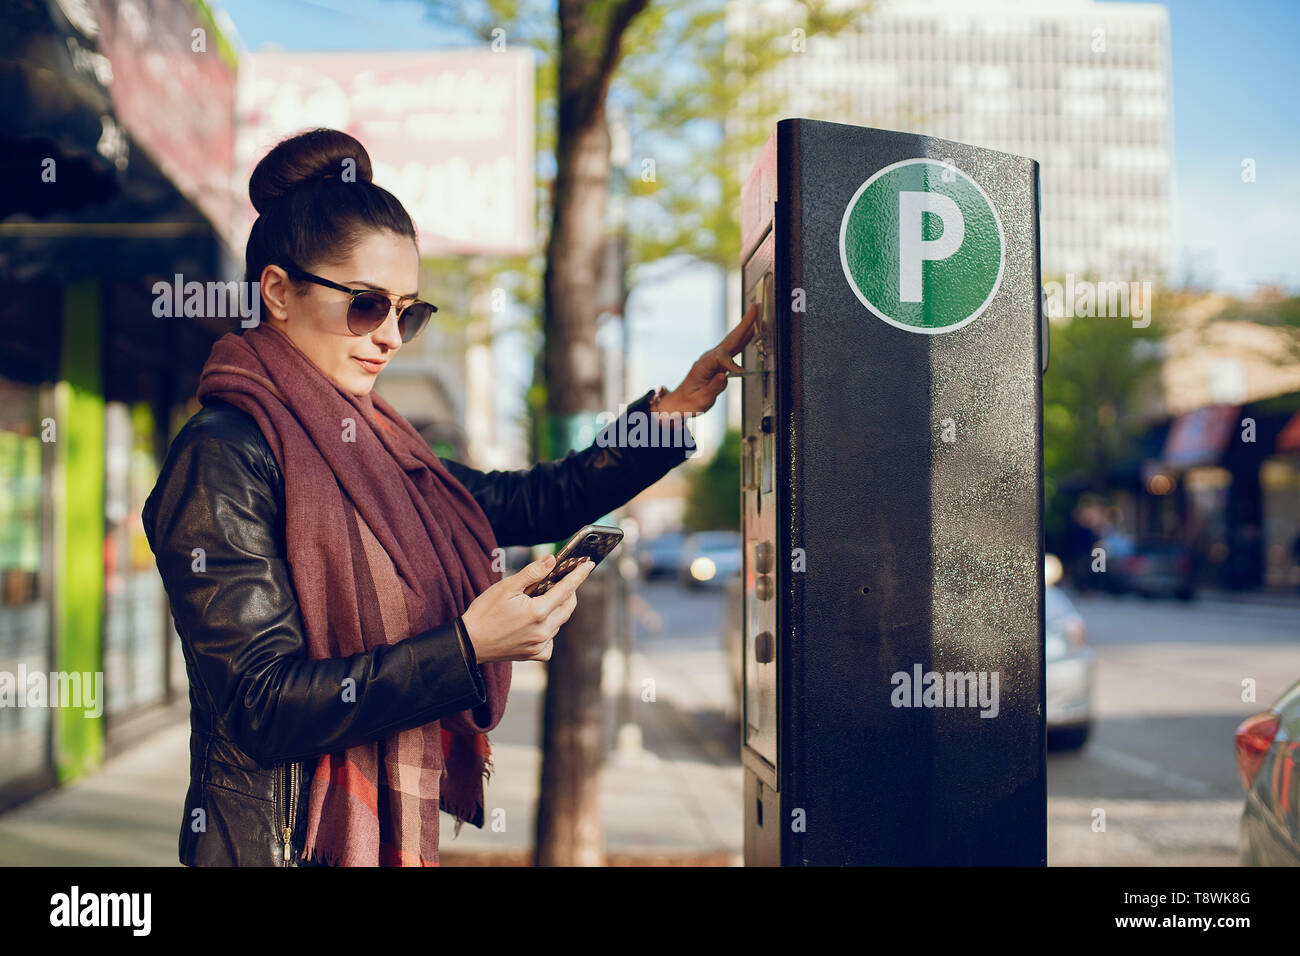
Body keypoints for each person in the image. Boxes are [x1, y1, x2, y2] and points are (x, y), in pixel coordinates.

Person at [142, 127, 758, 867]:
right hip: (277, 847)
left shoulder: (378, 443)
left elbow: (529, 501)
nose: (392, 337)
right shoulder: (223, 454)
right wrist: (467, 648)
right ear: (277, 291)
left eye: (409, 312)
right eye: (368, 305)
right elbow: (259, 703)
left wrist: (674, 415)